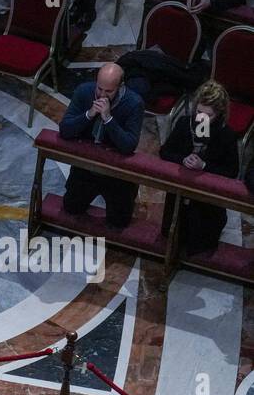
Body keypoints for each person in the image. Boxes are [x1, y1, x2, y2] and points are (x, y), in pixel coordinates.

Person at [58, 63, 145, 228]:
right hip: (86, 166)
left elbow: (128, 145)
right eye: (100, 89)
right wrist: (88, 115)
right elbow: (65, 130)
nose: (102, 95)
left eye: (109, 91)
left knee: (119, 222)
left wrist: (109, 120)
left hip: (116, 172)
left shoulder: (134, 103)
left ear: (120, 87)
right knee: (71, 208)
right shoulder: (84, 91)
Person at [160, 80, 242, 253]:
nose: (201, 119)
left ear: (219, 114)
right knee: (171, 236)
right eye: (198, 112)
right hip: (179, 195)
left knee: (200, 244)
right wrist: (183, 159)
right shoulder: (184, 124)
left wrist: (204, 165)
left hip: (207, 203)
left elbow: (231, 172)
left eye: (208, 115)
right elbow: (165, 152)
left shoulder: (226, 136)